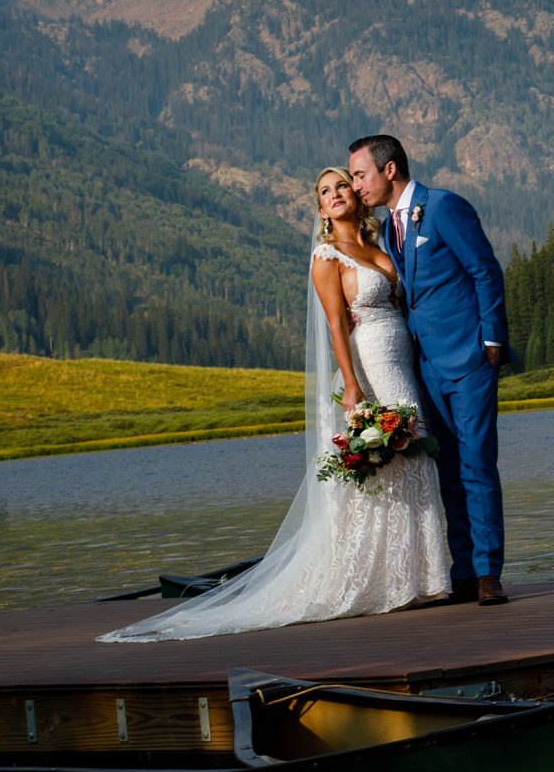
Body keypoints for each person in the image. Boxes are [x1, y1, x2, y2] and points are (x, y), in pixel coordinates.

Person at [100, 168, 450, 642]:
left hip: (402, 358)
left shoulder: (382, 244)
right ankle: (377, 578)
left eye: (342, 185)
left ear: (355, 194)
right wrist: (351, 386)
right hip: (370, 360)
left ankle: (423, 576)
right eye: (326, 193)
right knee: (390, 459)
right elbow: (334, 326)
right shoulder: (327, 257)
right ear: (322, 210)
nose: (336, 194)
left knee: (414, 453)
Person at [346, 133, 512, 605]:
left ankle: (487, 574)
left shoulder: (443, 208)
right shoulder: (388, 227)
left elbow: (485, 270)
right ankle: (462, 570)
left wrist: (492, 341)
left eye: (360, 175)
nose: (356, 185)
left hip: (469, 359)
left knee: (477, 464)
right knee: (448, 469)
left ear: (389, 170)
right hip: (425, 367)